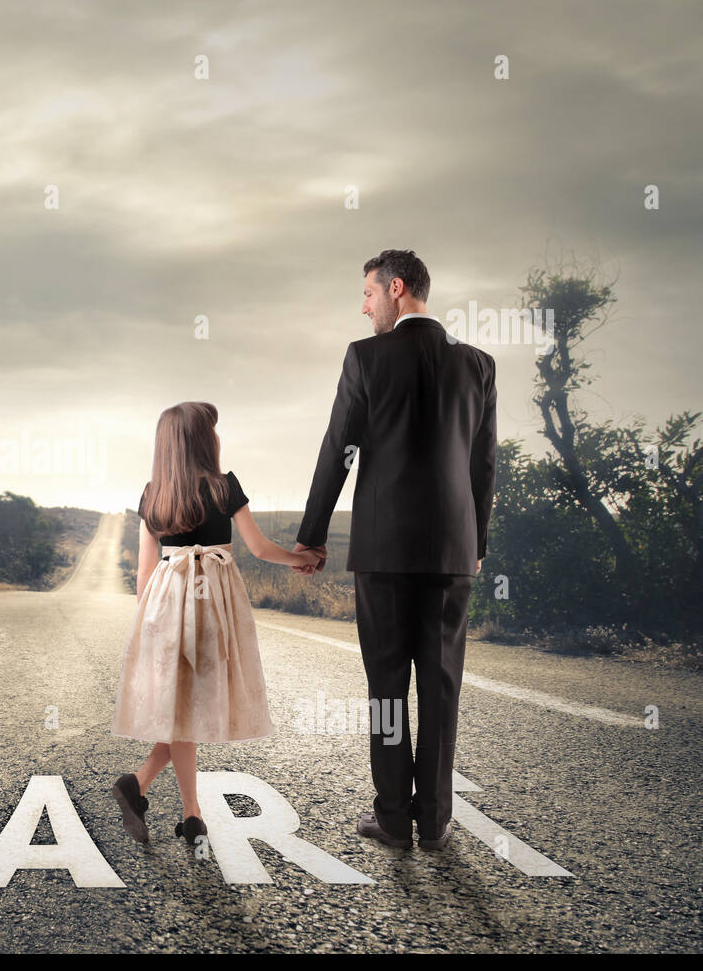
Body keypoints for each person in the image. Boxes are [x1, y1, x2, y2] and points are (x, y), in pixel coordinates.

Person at [294, 249, 497, 851]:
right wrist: (477, 543)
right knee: (441, 683)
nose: (364, 306)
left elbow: (337, 450)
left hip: (382, 550)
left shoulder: (365, 357)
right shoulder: (478, 365)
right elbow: (483, 465)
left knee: (387, 685)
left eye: (368, 294)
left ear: (397, 289)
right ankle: (433, 820)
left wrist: (310, 536)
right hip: (452, 552)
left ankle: (391, 818)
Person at [110, 401, 322, 846]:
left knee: (181, 708)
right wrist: (301, 559)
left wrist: (147, 627)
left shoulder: (153, 494)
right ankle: (187, 814)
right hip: (214, 607)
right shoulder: (226, 486)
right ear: (204, 440)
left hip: (165, 605)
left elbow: (145, 572)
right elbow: (260, 548)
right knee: (194, 707)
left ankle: (154, 793)